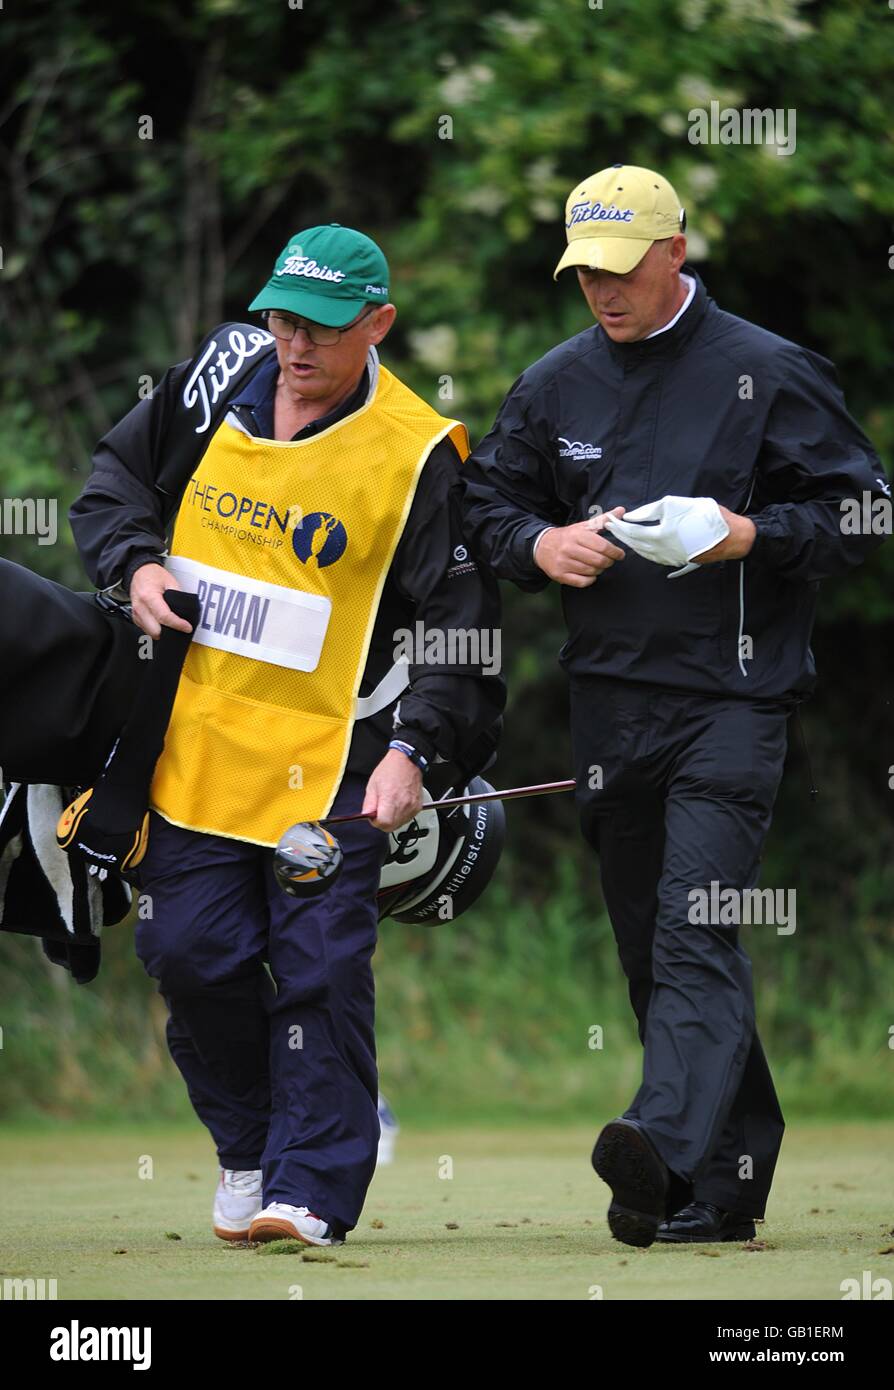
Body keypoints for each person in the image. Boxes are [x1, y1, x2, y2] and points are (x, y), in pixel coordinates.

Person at [461, 164, 889, 1247]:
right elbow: (488, 508)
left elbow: (865, 515)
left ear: (673, 254)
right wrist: (538, 543)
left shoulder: (769, 371)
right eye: (583, 273)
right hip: (611, 703)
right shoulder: (554, 382)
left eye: (618, 269)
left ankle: (655, 1138)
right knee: (652, 946)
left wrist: (747, 534)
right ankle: (721, 1186)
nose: (601, 292)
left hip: (734, 702)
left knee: (699, 926)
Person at [69, 223, 504, 1247]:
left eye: (320, 326)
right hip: (194, 747)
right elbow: (113, 485)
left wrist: (418, 751)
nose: (293, 343)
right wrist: (135, 564)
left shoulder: (416, 454)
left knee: (317, 966)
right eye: (281, 318)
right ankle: (251, 1146)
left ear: (379, 325)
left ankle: (311, 1190)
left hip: (338, 762)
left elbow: (463, 620)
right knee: (190, 953)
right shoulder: (210, 387)